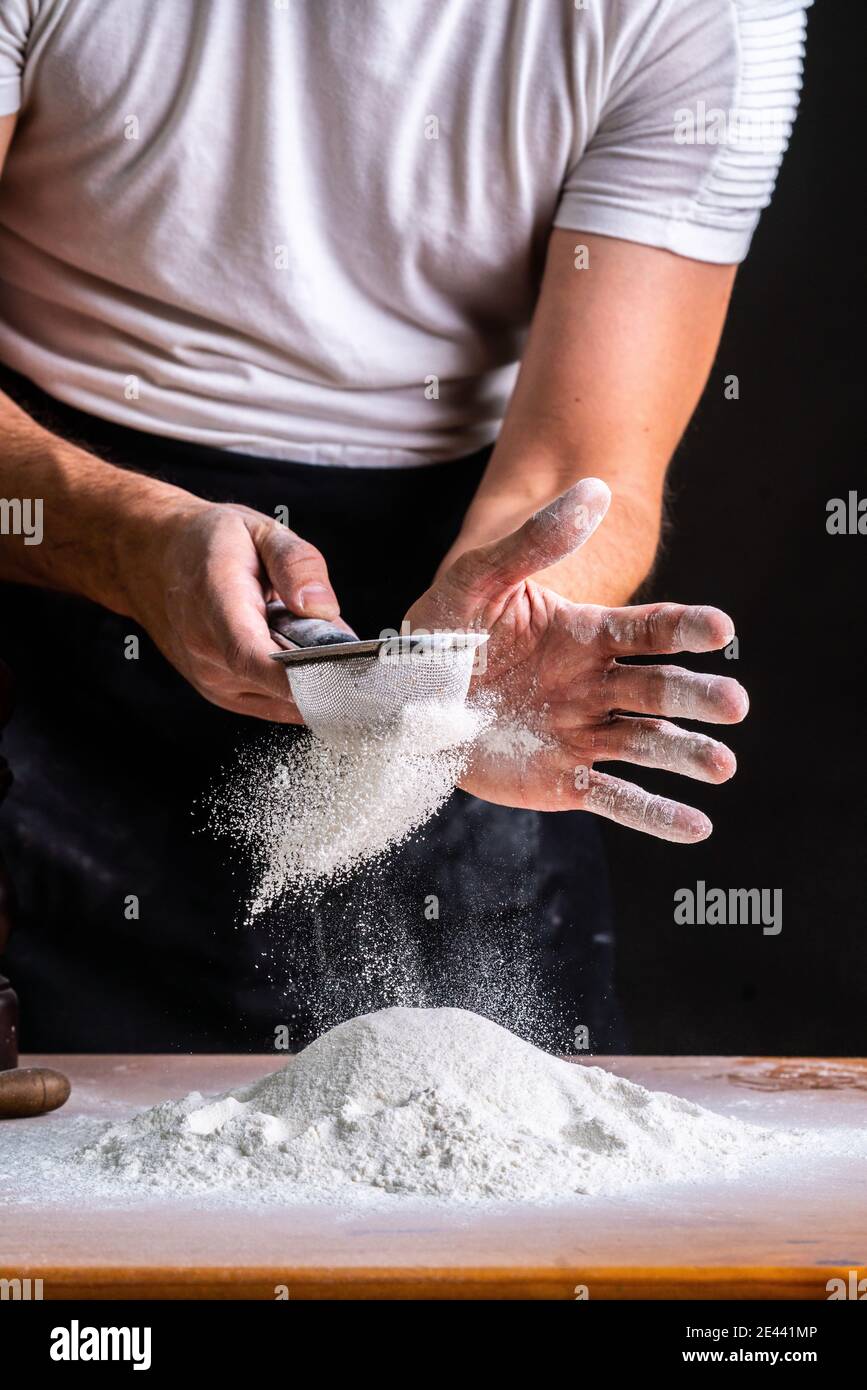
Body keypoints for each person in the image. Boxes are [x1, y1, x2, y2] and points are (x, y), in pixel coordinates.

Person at [0, 0, 810, 1051]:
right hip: (48, 559)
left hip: (454, 604)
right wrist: (124, 537)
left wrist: (491, 636)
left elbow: (582, 459)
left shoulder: (709, 14)